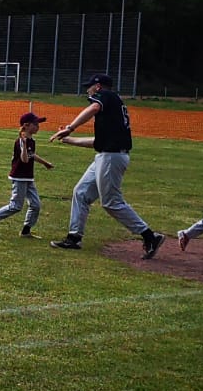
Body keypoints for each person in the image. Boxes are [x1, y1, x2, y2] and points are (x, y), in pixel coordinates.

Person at [48, 73, 164, 259]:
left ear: (98, 87)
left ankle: (150, 236)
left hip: (111, 157)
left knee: (111, 202)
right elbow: (99, 142)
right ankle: (73, 238)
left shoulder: (106, 96)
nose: (88, 90)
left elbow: (94, 107)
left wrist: (70, 127)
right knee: (81, 193)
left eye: (90, 87)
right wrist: (69, 139)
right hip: (107, 155)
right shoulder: (112, 108)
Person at [0, 112, 54, 238]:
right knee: (15, 206)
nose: (38, 127)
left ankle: (26, 231)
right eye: (35, 124)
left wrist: (45, 163)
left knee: (35, 205)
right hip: (19, 177)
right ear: (26, 125)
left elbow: (31, 155)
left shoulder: (31, 140)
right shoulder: (21, 141)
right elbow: (24, 159)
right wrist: (24, 146)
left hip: (28, 177)